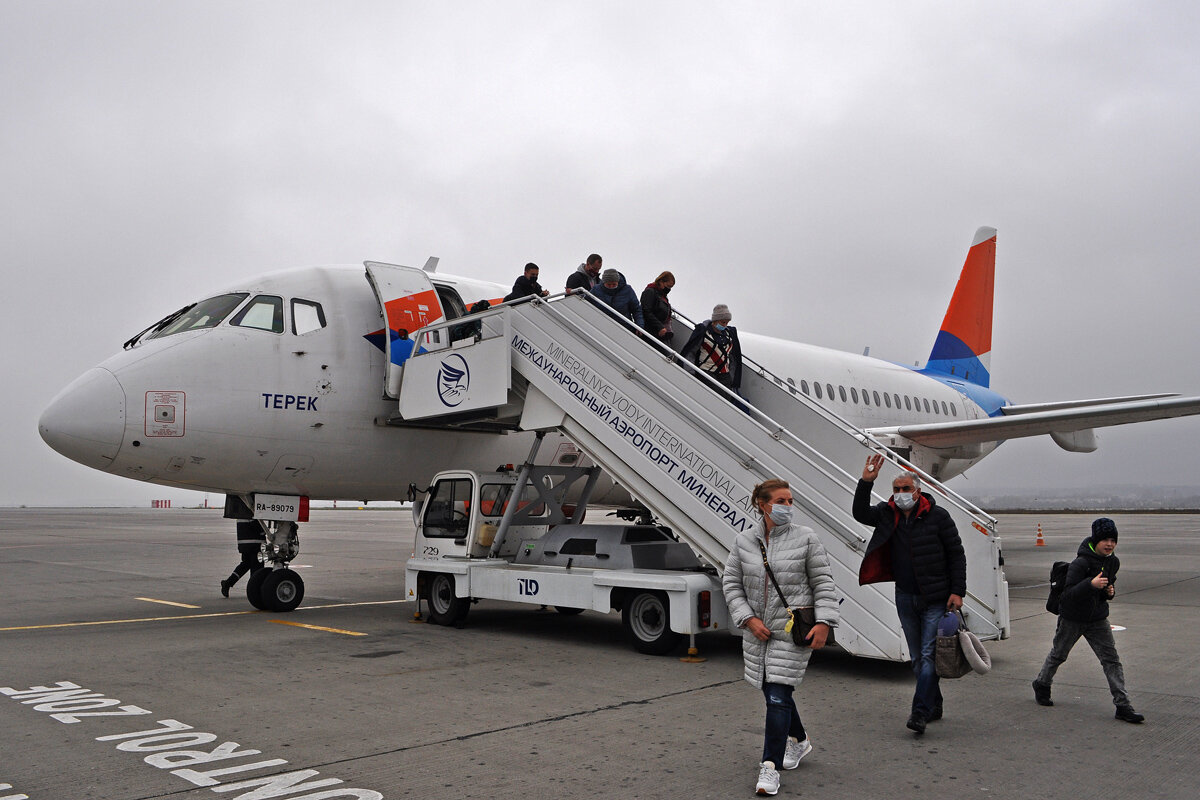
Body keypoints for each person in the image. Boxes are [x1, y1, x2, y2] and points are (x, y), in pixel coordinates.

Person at [723, 479, 839, 796]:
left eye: (790, 501)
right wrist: (747, 618)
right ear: (762, 504)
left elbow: (824, 584)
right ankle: (799, 742)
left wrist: (825, 621)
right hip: (758, 633)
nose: (788, 506)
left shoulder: (806, 538)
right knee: (775, 692)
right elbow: (731, 584)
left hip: (790, 631)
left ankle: (769, 767)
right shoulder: (744, 541)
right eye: (781, 501)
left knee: (776, 695)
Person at [853, 454, 965, 734]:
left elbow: (956, 555)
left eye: (906, 489)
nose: (901, 494)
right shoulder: (887, 513)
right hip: (905, 596)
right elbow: (860, 513)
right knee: (917, 658)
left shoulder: (937, 516)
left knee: (927, 655)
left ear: (917, 490)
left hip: (935, 598)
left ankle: (919, 712)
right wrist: (866, 483)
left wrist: (957, 591)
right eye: (897, 490)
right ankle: (934, 702)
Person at [1032, 518, 1144, 723]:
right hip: (1072, 619)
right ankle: (1042, 684)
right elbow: (1067, 596)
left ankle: (1122, 705)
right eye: (1105, 540)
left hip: (1098, 619)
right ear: (1096, 540)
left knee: (1111, 660)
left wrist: (1109, 592)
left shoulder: (1113, 562)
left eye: (1113, 540)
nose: (1109, 544)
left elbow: (1105, 590)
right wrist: (1090, 584)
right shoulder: (1080, 563)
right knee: (1058, 655)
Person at [681, 304, 742, 392]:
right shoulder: (704, 332)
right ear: (715, 320)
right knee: (717, 393)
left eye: (727, 322)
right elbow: (691, 352)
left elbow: (733, 357)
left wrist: (732, 377)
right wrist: (690, 372)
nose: (725, 325)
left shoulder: (730, 334)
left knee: (727, 397)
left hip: (725, 374)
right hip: (706, 371)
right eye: (723, 322)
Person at [220, 520, 265, 597]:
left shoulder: (241, 512)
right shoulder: (251, 511)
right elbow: (256, 525)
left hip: (244, 543)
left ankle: (228, 583)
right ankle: (254, 590)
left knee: (245, 564)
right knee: (257, 568)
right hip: (255, 543)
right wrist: (264, 532)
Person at [640, 271, 675, 342]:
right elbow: (646, 311)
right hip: (649, 330)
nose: (668, 289)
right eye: (668, 286)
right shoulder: (650, 292)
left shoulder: (662, 296)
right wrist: (659, 326)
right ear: (661, 282)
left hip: (659, 332)